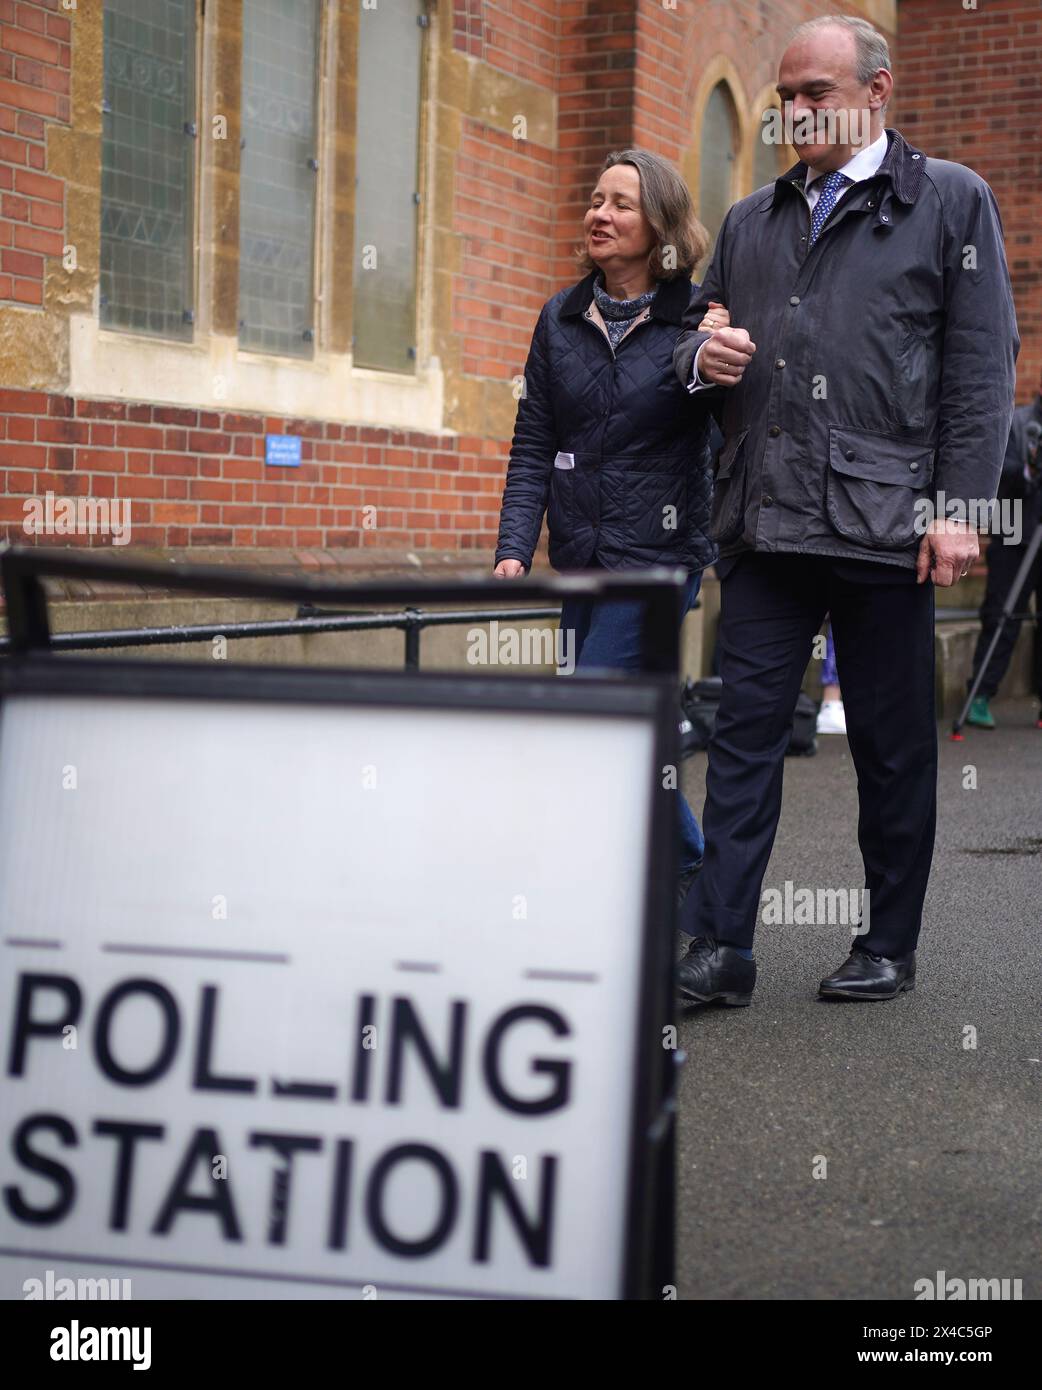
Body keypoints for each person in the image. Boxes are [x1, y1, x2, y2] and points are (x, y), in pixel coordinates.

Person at [671, 15, 1018, 1005]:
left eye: (814, 93)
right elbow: (702, 332)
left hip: (885, 523)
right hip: (767, 518)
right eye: (785, 96)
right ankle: (722, 947)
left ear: (877, 91)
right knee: (742, 741)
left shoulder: (947, 200)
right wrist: (702, 353)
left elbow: (980, 369)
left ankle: (887, 943)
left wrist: (959, 509)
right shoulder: (750, 219)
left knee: (890, 745)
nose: (794, 112)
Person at [494, 148, 722, 896]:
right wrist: (514, 547)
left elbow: (719, 422)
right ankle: (685, 869)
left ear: (659, 222)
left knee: (591, 706)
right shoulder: (559, 319)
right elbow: (534, 441)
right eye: (596, 200)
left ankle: (618, 876)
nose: (600, 213)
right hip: (583, 556)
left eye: (621, 203)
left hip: (659, 560)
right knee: (627, 724)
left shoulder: (696, 316)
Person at [965, 370, 1042, 729]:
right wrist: (1029, 470)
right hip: (1015, 534)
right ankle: (980, 694)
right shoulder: (1018, 423)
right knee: (1001, 617)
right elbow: (997, 473)